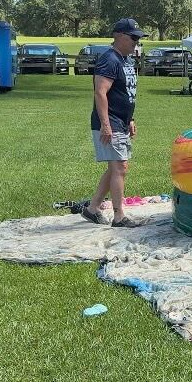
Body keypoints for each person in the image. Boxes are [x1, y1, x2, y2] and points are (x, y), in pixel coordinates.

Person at [81, 18, 143, 228]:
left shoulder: (127, 60)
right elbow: (100, 92)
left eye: (138, 38)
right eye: (133, 37)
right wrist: (106, 125)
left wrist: (131, 118)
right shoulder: (109, 59)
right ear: (119, 36)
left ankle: (92, 209)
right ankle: (119, 216)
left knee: (116, 167)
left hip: (121, 122)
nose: (136, 41)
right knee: (120, 167)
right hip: (110, 122)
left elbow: (126, 93)